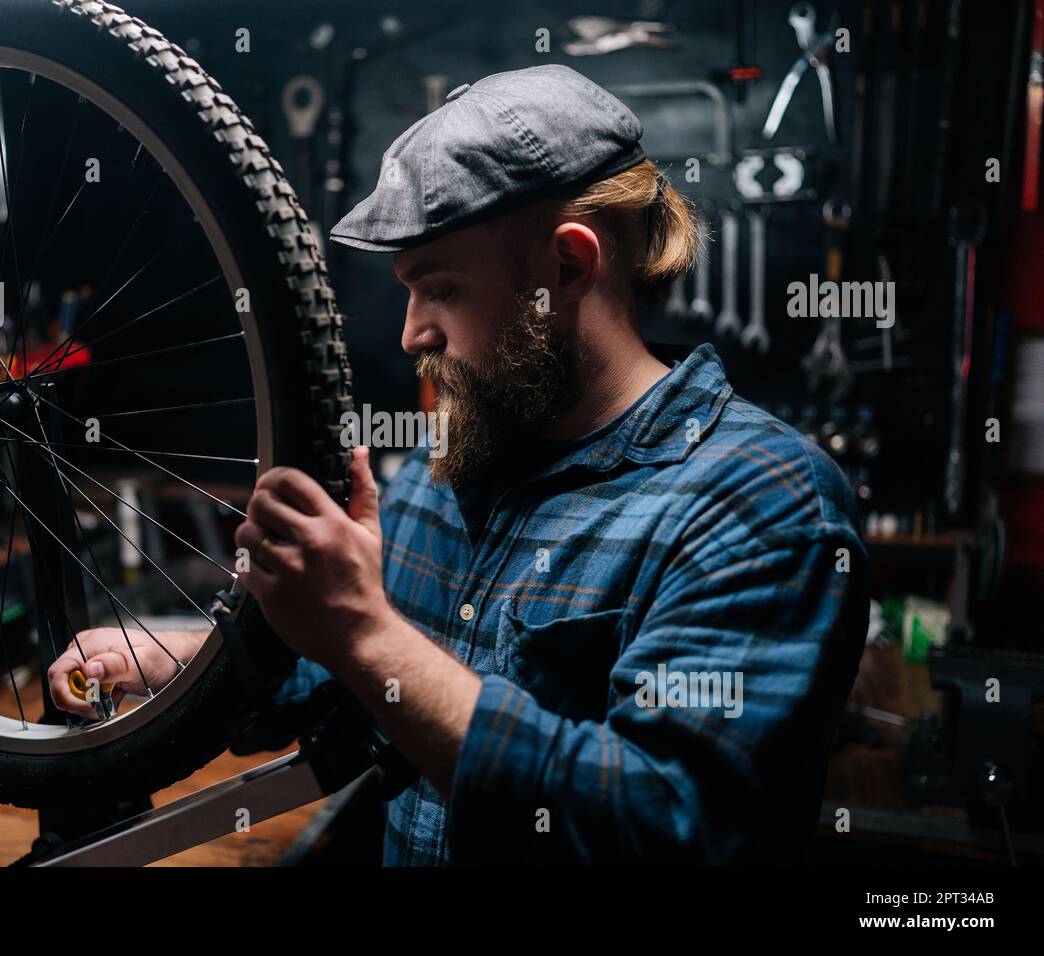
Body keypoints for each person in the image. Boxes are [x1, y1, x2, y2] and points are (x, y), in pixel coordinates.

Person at [50, 64, 869, 865]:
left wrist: (361, 630)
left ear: (567, 267)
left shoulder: (761, 505)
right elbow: (363, 689)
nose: (412, 334)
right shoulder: (451, 471)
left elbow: (662, 825)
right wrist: (189, 659)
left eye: (439, 288)